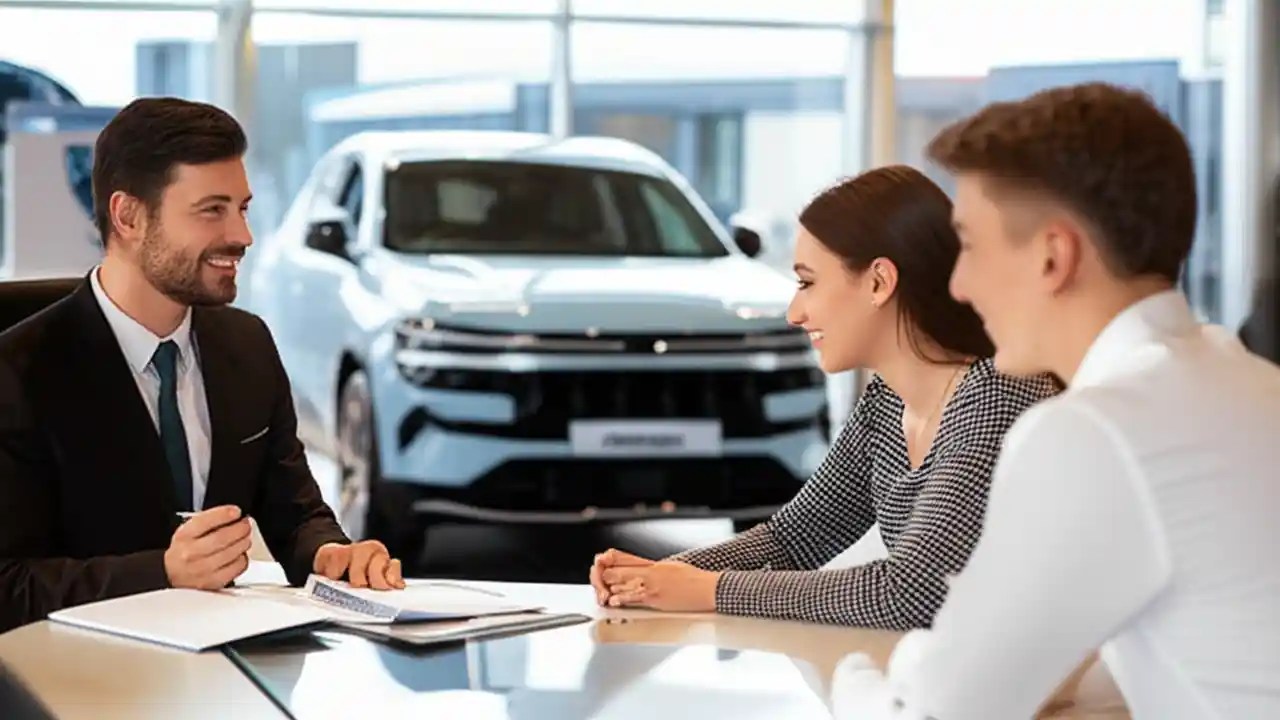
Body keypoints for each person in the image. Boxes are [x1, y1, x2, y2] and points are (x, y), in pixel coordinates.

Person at [832, 83, 1280, 719]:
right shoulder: (1243, 382)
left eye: (970, 245)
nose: (957, 285)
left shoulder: (1093, 432)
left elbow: (937, 710)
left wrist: (855, 678)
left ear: (1053, 256)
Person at [589, 166, 1058, 629]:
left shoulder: (998, 396)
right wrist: (659, 577)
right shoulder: (887, 402)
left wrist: (707, 590)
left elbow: (913, 593)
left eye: (807, 282)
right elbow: (794, 539)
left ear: (878, 282)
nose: (795, 313)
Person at [0, 97, 405, 633]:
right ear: (128, 216)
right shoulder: (20, 371)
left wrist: (331, 554)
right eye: (212, 210)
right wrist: (161, 571)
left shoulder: (247, 345)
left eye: (242, 207)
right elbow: (8, 585)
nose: (242, 235)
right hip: (78, 687)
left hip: (223, 677)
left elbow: (297, 514)